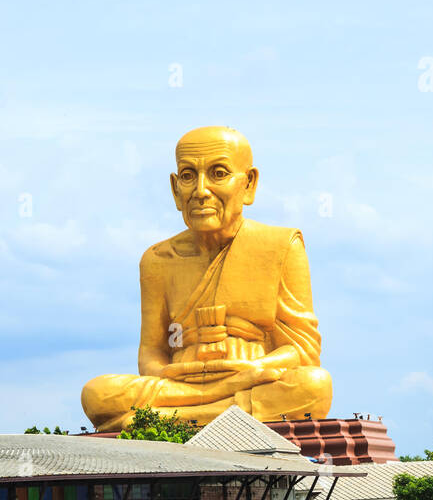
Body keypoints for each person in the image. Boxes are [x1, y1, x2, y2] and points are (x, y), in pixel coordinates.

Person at [81, 125, 332, 433]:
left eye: (218, 173)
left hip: (251, 376)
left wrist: (253, 370)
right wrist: (183, 379)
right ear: (175, 189)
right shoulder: (158, 259)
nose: (201, 190)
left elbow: (304, 350)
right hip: (183, 384)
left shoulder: (280, 246)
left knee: (314, 385)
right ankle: (215, 410)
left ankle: (168, 420)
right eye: (188, 176)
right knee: (98, 393)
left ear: (249, 184)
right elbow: (151, 352)